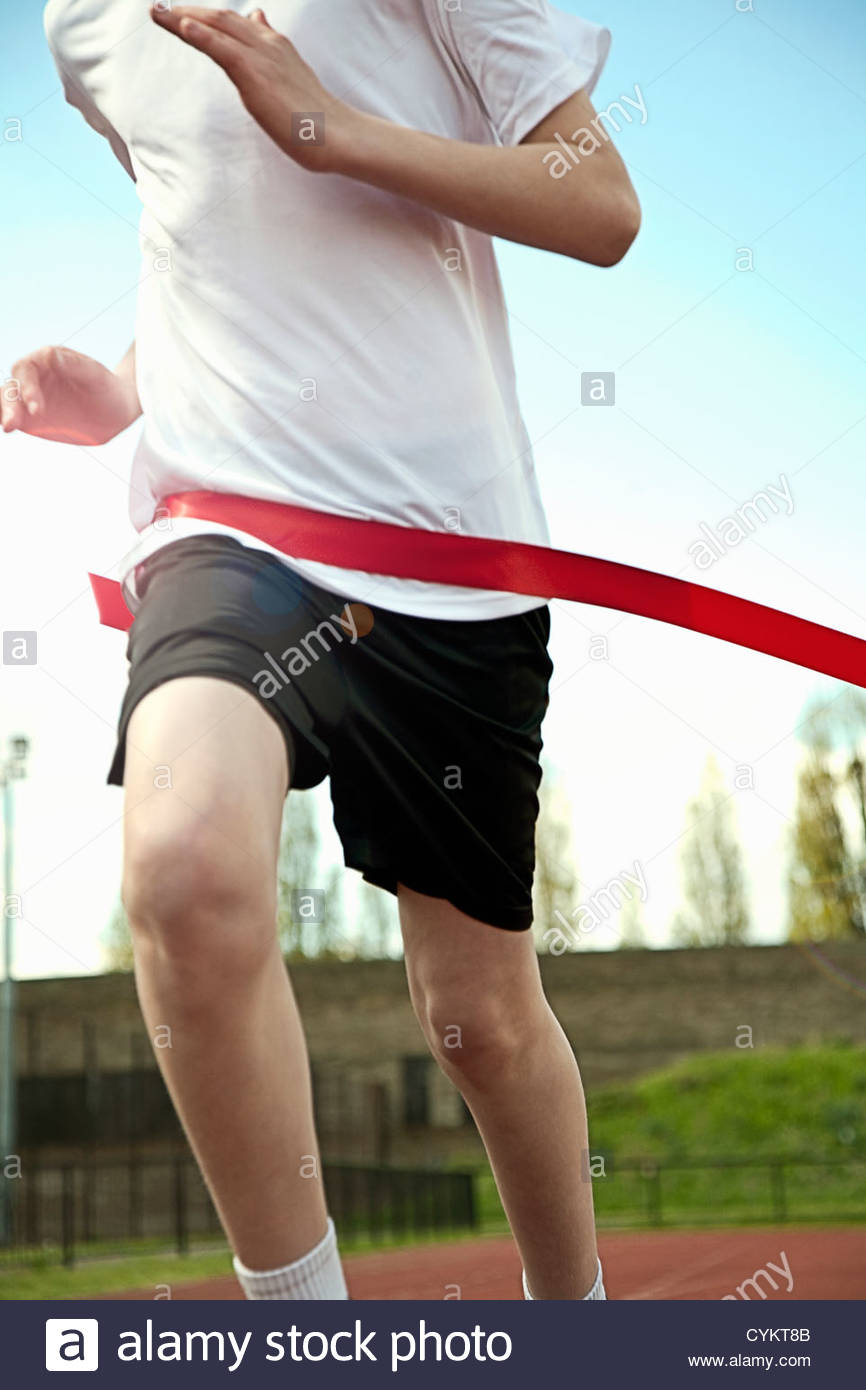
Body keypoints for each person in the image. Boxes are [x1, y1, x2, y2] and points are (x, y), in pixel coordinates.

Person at [7, 0, 639, 1299]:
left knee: (474, 1019)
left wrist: (334, 131)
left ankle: (576, 1336)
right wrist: (126, 390)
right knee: (181, 866)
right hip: (227, 525)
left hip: (446, 551)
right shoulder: (85, 22)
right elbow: (220, 234)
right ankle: (303, 1337)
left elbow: (599, 204)